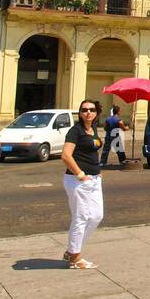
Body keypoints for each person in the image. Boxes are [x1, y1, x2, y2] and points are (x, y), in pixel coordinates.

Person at [61, 99, 105, 269]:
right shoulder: (75, 131)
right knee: (81, 218)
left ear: (96, 113)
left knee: (96, 216)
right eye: (84, 110)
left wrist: (97, 172)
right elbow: (66, 155)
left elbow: (91, 151)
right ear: (80, 113)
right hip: (77, 181)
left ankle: (72, 250)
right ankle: (75, 257)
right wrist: (80, 174)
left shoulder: (92, 129)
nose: (88, 112)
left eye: (91, 109)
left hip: (94, 180)